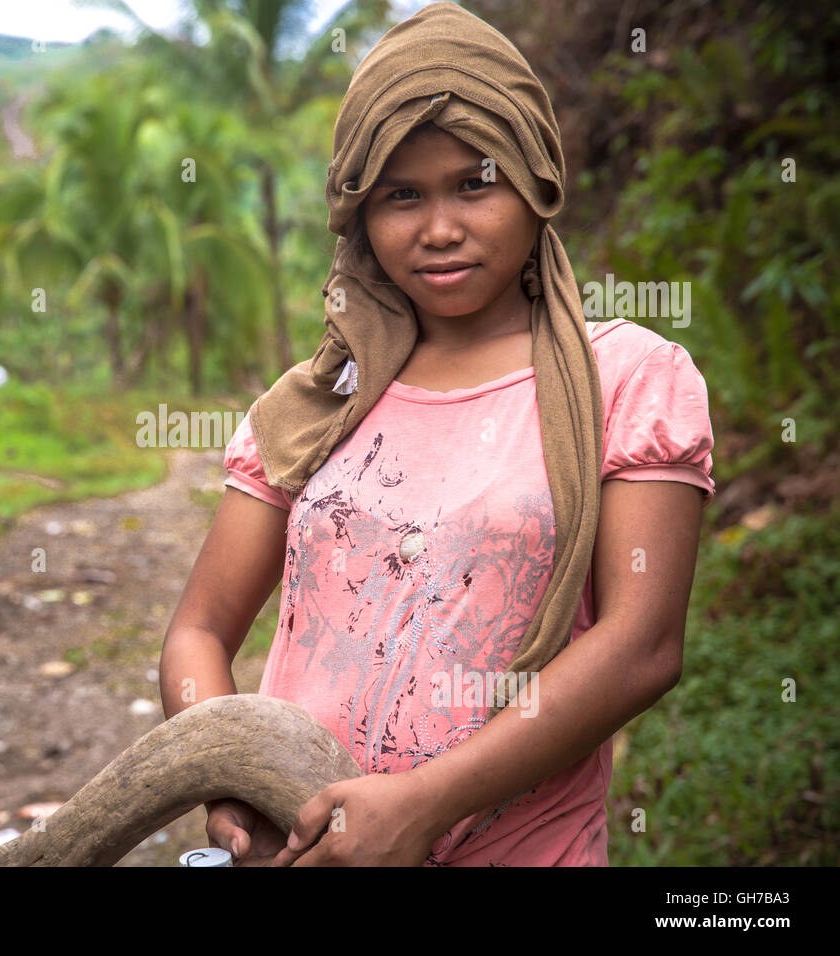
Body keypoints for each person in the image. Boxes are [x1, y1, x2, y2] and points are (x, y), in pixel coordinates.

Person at [158, 1, 715, 866]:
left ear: (535, 183)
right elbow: (198, 632)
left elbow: (642, 647)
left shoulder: (631, 378)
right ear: (360, 216)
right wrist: (223, 774)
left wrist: (421, 806)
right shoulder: (318, 401)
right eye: (401, 196)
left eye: (476, 183)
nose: (440, 227)